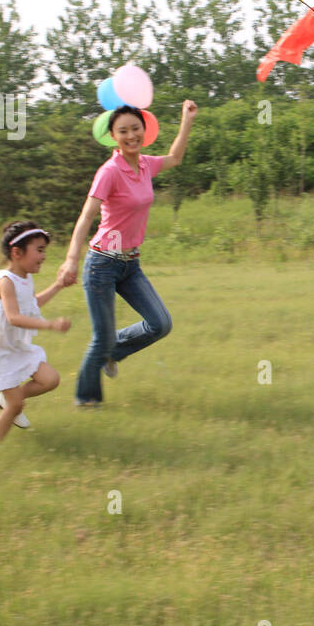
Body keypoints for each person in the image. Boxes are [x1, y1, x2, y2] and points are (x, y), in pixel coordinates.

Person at [57, 100, 198, 406]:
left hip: (130, 264)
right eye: (123, 131)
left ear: (144, 131)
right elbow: (86, 216)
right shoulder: (109, 171)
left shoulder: (146, 164)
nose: (131, 135)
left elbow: (175, 157)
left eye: (135, 128)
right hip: (102, 264)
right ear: (113, 136)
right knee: (100, 339)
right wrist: (71, 257)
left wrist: (186, 120)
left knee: (160, 323)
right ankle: (86, 400)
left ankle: (113, 352)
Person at [0, 221, 72, 449]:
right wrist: (49, 325)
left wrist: (58, 285)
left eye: (44, 250)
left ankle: (7, 399)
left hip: (14, 345)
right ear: (17, 253)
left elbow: (32, 304)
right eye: (39, 250)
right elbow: (14, 317)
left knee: (50, 380)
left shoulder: (25, 278)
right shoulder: (5, 281)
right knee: (16, 405)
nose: (44, 256)